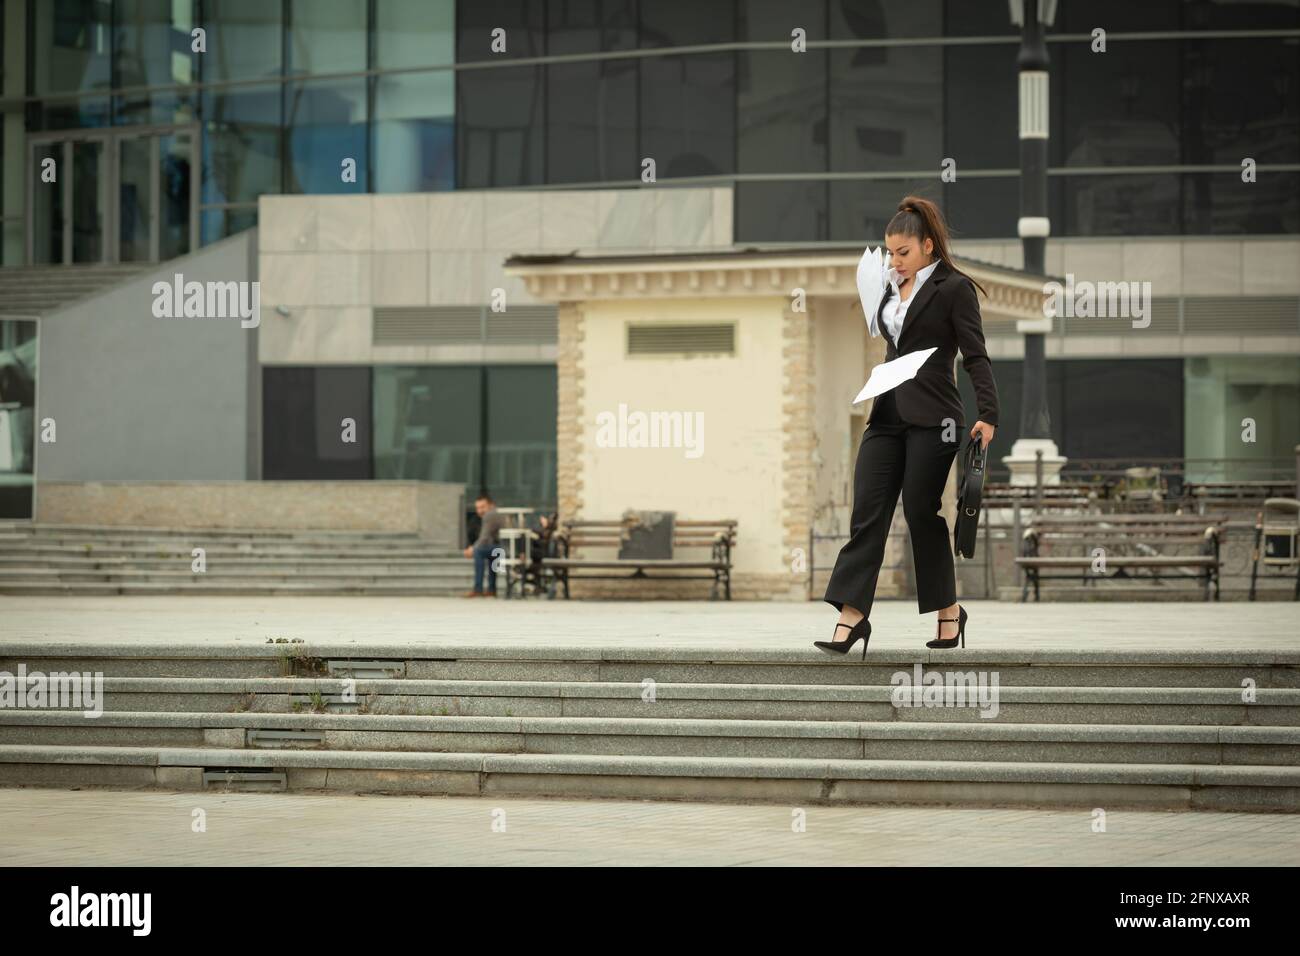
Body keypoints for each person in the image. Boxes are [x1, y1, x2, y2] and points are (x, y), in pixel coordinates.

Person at [815, 196, 999, 659]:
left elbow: (975, 354)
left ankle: (948, 610)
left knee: (921, 512)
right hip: (887, 413)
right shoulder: (887, 286)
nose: (894, 260)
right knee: (868, 511)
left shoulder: (953, 289)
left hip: (935, 418)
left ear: (928, 247)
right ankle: (851, 616)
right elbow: (890, 343)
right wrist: (881, 289)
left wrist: (989, 413)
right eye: (889, 252)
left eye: (903, 252)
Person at [463, 494, 506, 597]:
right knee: (489, 552)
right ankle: (491, 589)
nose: (480, 511)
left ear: (491, 505)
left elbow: (484, 537)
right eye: (478, 508)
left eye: (483, 507)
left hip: (504, 549)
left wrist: (473, 548)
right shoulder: (497, 512)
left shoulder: (490, 515)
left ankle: (478, 589)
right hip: (505, 548)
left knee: (479, 551)